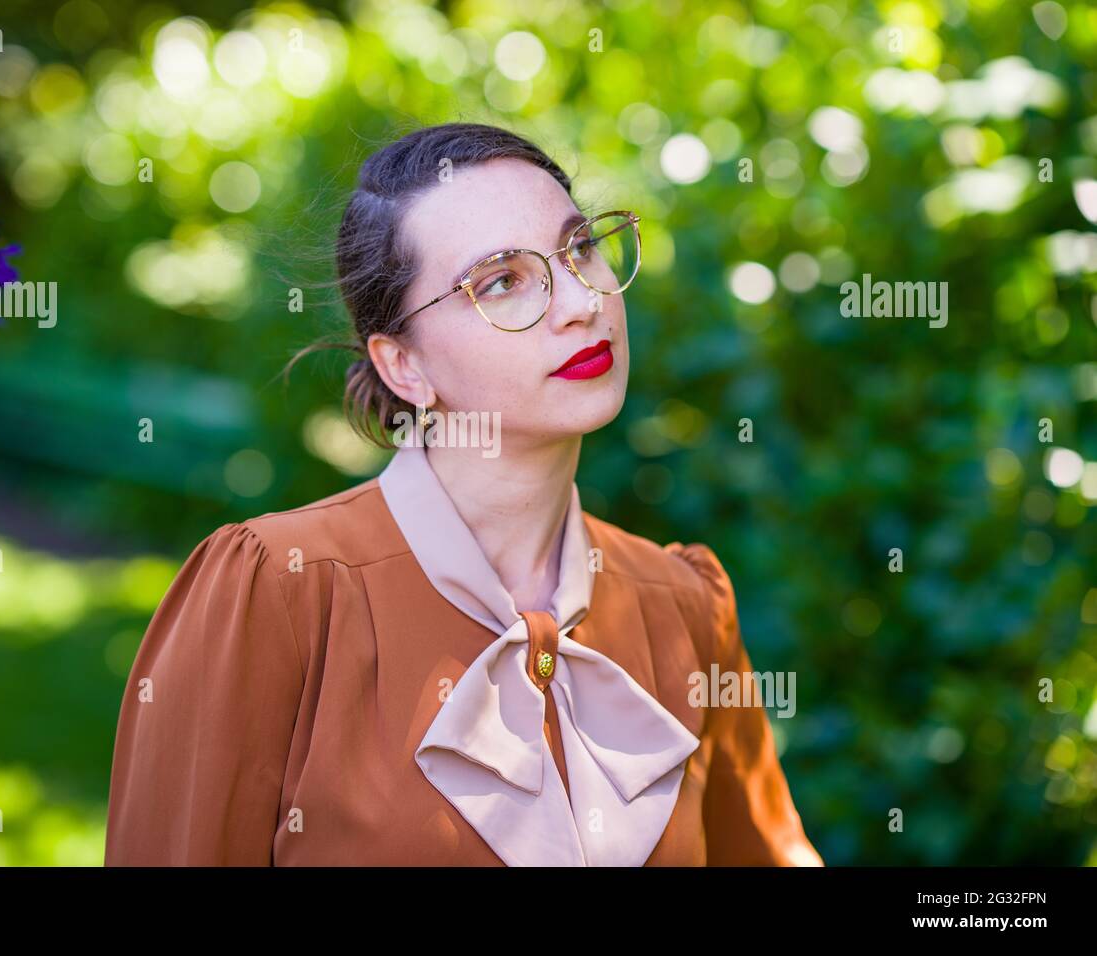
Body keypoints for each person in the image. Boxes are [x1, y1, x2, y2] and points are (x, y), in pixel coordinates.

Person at [104, 122, 824, 867]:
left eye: (580, 248)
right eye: (502, 281)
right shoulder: (279, 590)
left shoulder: (684, 605)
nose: (580, 301)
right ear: (404, 367)